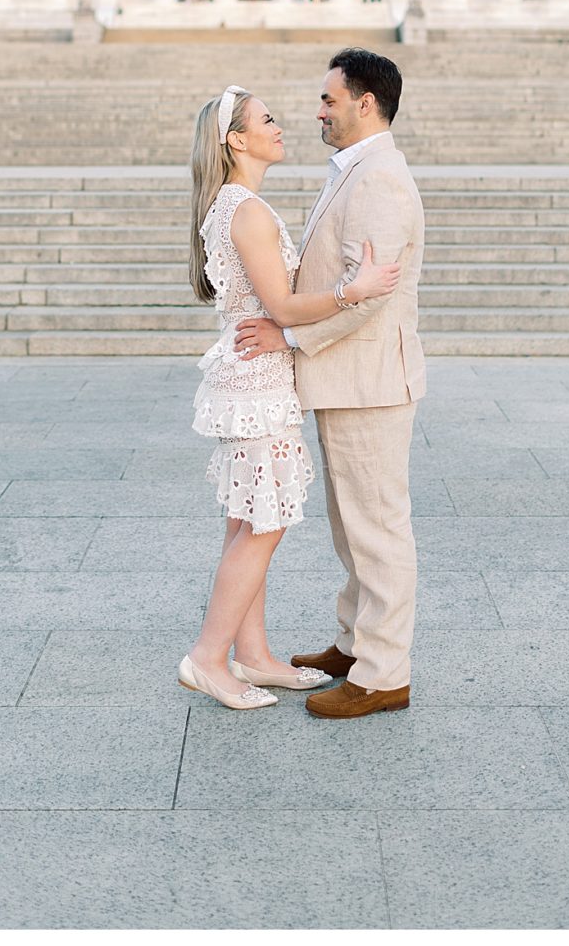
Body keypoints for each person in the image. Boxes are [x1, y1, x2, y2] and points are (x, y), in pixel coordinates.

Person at [178, 84, 401, 710]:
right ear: (236, 140)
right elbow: (280, 307)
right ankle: (208, 658)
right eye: (267, 120)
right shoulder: (245, 210)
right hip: (255, 383)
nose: (282, 126)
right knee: (263, 525)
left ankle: (253, 656)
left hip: (252, 378)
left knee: (247, 519)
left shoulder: (235, 204)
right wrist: (353, 290)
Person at [234, 48, 427, 719]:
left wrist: (287, 335)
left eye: (328, 99)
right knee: (353, 528)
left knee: (377, 529)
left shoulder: (379, 179)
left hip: (369, 378)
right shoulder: (357, 171)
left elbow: (370, 294)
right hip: (349, 377)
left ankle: (382, 674)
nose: (317, 111)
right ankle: (354, 643)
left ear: (364, 102)